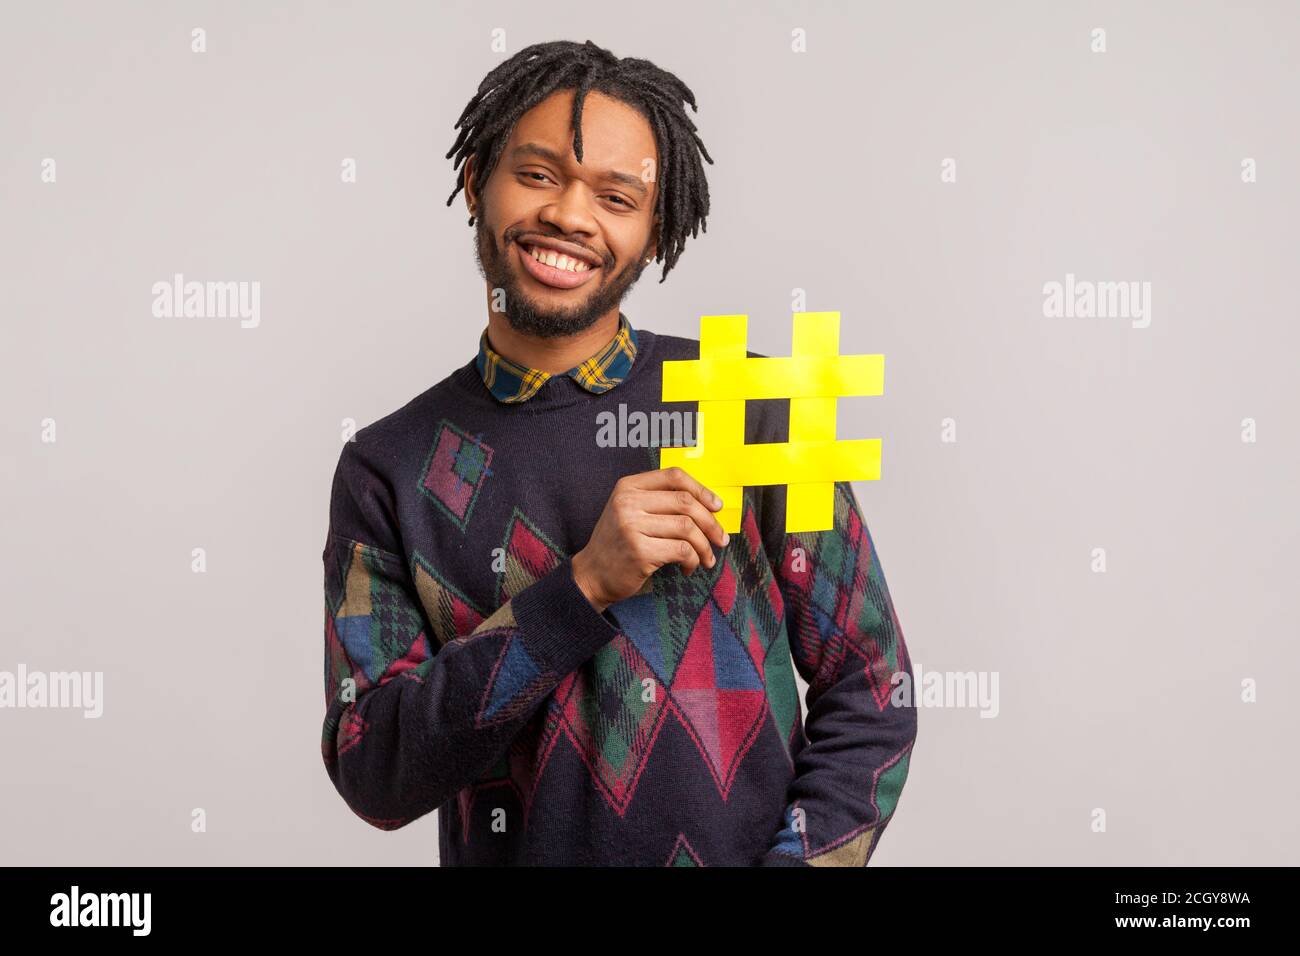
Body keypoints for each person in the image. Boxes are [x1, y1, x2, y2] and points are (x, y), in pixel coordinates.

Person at [321, 38, 917, 866]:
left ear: (654, 229)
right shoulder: (386, 468)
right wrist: (583, 586)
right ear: (474, 183)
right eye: (536, 175)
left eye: (615, 195)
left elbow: (875, 690)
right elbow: (373, 768)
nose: (569, 215)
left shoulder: (758, 401)